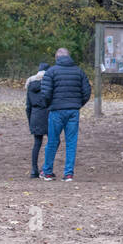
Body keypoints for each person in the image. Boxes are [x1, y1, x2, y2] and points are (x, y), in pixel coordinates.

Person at [39, 48, 92, 181]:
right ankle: (68, 173)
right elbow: (87, 92)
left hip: (56, 111)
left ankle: (47, 171)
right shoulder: (79, 71)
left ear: (57, 57)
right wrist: (78, 104)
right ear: (69, 57)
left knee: (52, 141)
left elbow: (45, 93)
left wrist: (49, 105)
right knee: (71, 143)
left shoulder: (51, 72)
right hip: (73, 111)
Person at [25, 62, 51, 178]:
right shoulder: (50, 84)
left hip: (35, 115)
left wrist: (30, 121)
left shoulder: (30, 85)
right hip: (48, 115)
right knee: (53, 142)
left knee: (37, 143)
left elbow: (28, 106)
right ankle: (46, 168)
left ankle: (34, 170)